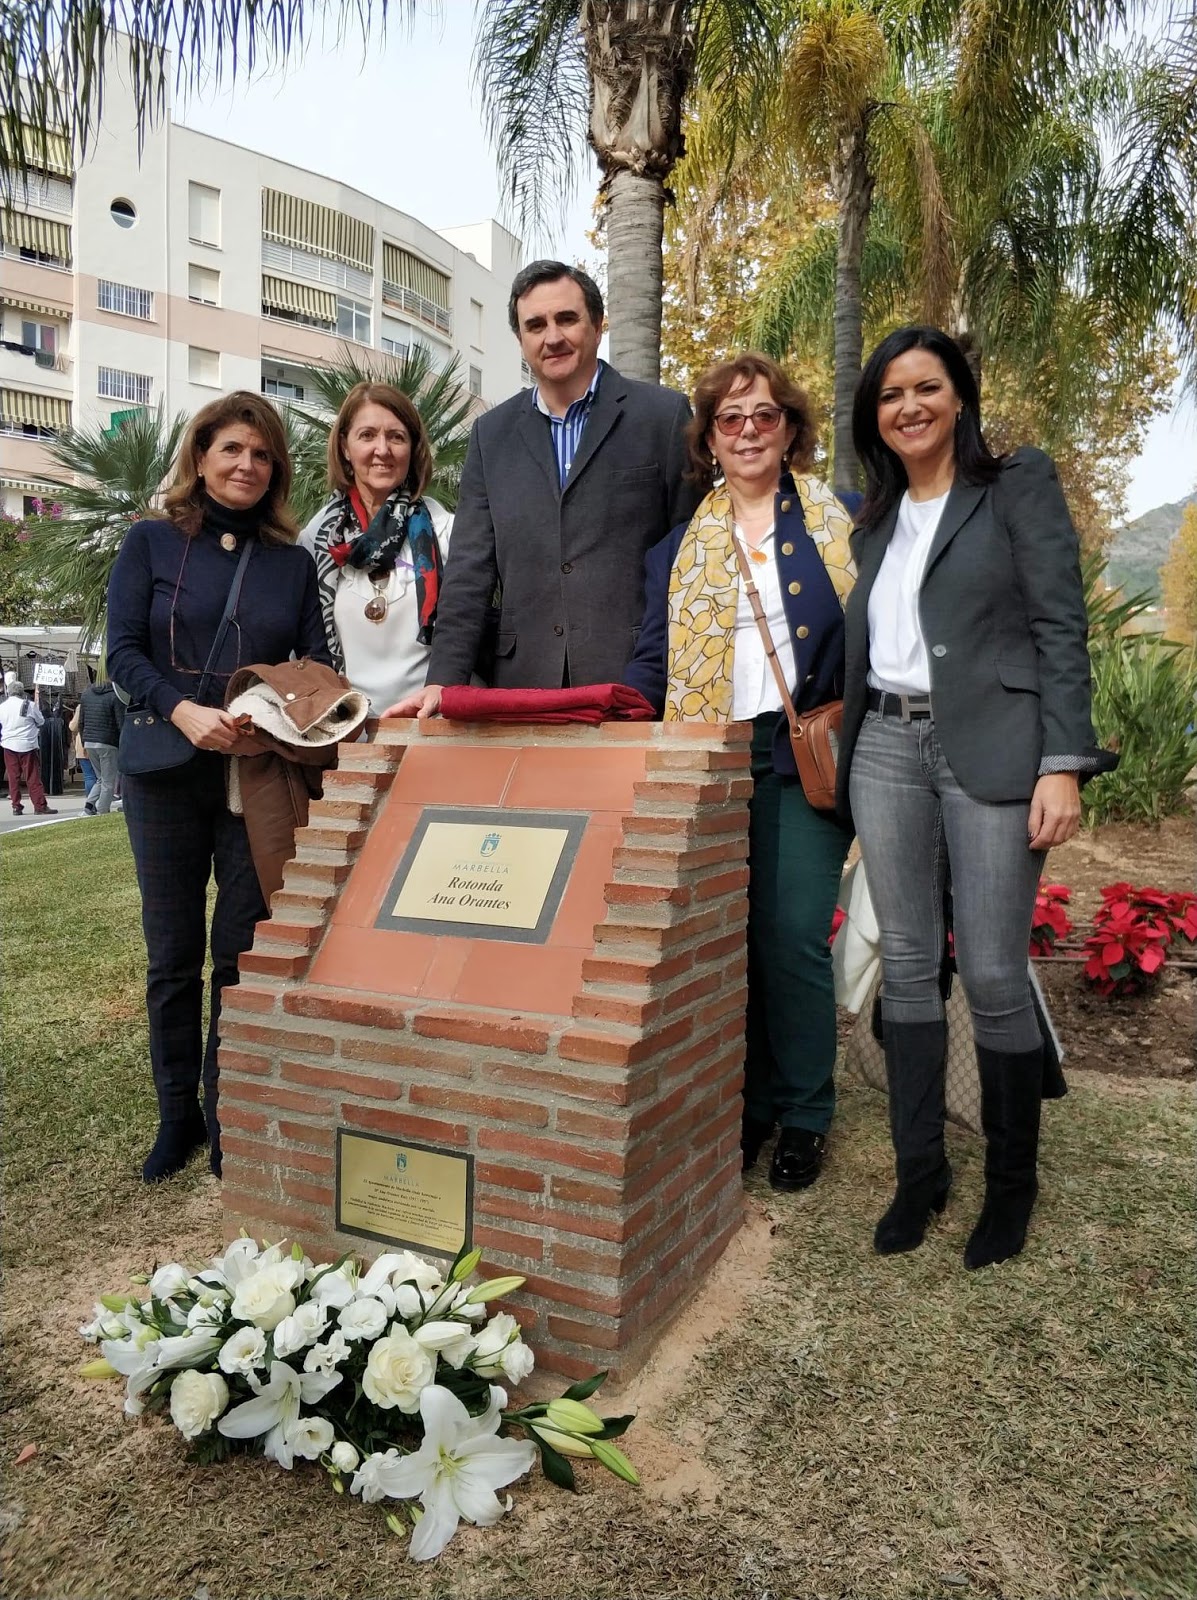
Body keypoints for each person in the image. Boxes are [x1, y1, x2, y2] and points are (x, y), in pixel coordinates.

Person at [838, 325, 1108, 1268]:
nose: (907, 406)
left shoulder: (1012, 483)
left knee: (992, 974)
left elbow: (1057, 623)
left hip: (994, 749)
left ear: (958, 396)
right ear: (873, 416)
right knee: (908, 961)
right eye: (889, 395)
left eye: (925, 387)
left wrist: (1062, 760)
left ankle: (1008, 1189)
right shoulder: (872, 516)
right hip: (884, 744)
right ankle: (920, 1175)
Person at [625, 353, 857, 1192]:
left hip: (806, 757)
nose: (749, 430)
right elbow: (654, 658)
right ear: (709, 439)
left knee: (792, 932)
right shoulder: (677, 550)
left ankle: (804, 1111)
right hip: (713, 758)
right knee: (732, 933)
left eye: (764, 415)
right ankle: (749, 1101)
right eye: (731, 419)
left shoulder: (846, 520)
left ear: (789, 428)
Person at [107, 390, 330, 1184]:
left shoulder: (291, 563)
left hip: (254, 778)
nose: (246, 465)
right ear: (200, 455)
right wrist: (182, 709)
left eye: (261, 454)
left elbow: (309, 669)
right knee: (173, 957)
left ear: (275, 471)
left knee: (239, 952)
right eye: (232, 449)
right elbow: (123, 652)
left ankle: (229, 1109)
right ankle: (178, 1118)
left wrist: (264, 714)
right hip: (165, 772)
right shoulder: (150, 544)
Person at [387, 261, 701, 717]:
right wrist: (444, 680)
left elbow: (690, 557)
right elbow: (471, 571)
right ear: (521, 340)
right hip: (525, 685)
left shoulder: (663, 416)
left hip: (637, 683)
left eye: (566, 319)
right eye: (535, 325)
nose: (551, 337)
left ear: (597, 324)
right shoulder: (490, 436)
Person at [298, 382, 452, 711]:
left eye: (396, 437)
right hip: (345, 730)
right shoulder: (316, 539)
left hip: (431, 727)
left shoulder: (443, 531)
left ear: (413, 448)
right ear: (344, 446)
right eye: (367, 435)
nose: (382, 449)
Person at [1, 681, 56, 815]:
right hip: (27, 745)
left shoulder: (2, 706)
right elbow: (41, 721)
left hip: (8, 745)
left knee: (13, 777)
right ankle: (39, 805)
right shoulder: (29, 705)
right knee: (33, 777)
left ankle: (16, 806)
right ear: (22, 692)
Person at [77, 677, 124, 814]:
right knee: (109, 781)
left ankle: (89, 806)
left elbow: (81, 721)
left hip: (90, 741)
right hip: (108, 742)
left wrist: (83, 742)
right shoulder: (114, 696)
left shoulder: (86, 694)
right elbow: (120, 723)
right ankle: (103, 811)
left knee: (101, 778)